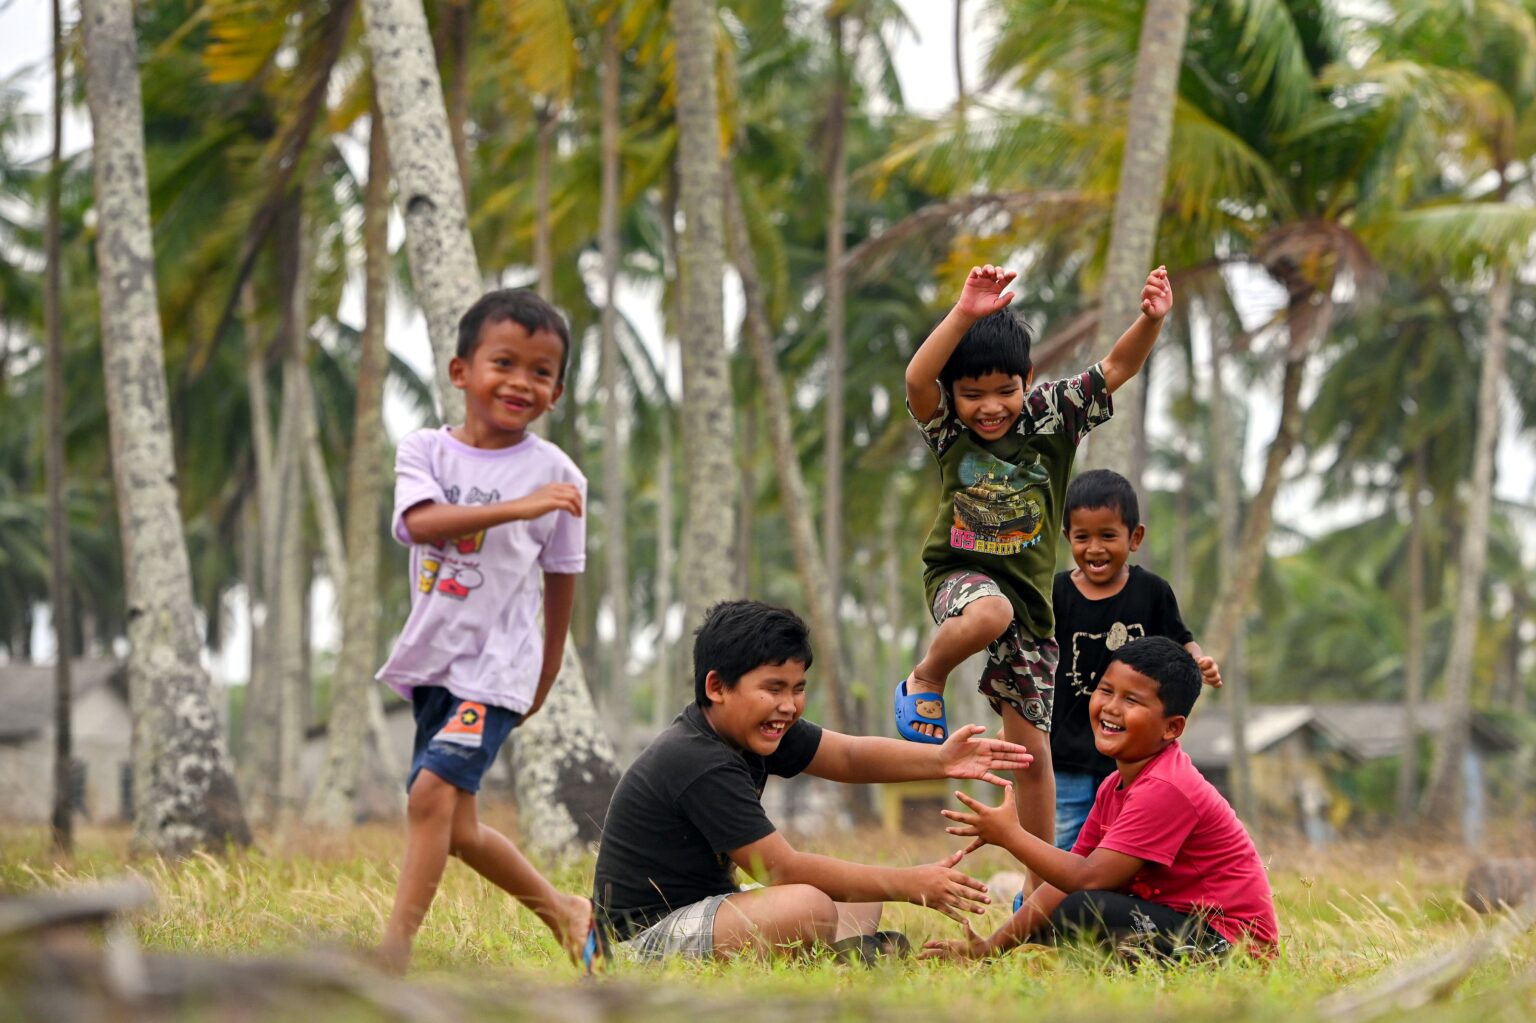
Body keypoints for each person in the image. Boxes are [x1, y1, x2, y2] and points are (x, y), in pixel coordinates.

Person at [896, 262, 1173, 854]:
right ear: (953, 394)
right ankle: (926, 676)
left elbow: (1118, 367)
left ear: (1027, 379)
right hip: (959, 576)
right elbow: (917, 378)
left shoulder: (1054, 416)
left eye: (1005, 391)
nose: (989, 408)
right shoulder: (949, 430)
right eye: (972, 395)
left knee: (1031, 756)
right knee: (988, 611)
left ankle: (1041, 880)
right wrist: (964, 313)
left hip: (1030, 608)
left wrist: (1150, 320)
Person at [593, 600, 1036, 962]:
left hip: (711, 906)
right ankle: (836, 954)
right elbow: (780, 869)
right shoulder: (698, 759)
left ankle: (835, 954)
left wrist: (941, 760)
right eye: (773, 688)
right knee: (809, 905)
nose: (788, 705)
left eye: (798, 688)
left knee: (860, 896)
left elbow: (849, 757)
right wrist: (910, 882)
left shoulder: (757, 729)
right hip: (643, 936)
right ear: (717, 687)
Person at [375, 289, 596, 975]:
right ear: (461, 371)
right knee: (458, 828)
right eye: (504, 363)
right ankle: (565, 912)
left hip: (499, 669)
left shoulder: (559, 475)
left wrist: (545, 674)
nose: (520, 382)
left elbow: (562, 578)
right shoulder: (424, 451)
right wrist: (520, 506)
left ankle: (390, 957)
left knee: (428, 796)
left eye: (540, 371)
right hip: (434, 662)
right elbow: (419, 523)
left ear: (556, 393)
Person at [923, 637, 1279, 961]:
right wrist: (987, 950)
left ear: (1171, 727)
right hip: (1180, 924)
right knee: (1054, 917)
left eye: (1131, 700)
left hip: (1233, 946)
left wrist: (1010, 835)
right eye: (1105, 691)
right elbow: (1064, 882)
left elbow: (1086, 881)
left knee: (1082, 911)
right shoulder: (1115, 786)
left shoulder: (1166, 787)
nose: (1110, 707)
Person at [1051, 468, 1221, 851]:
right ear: (1067, 538)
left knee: (1127, 840)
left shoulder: (1152, 592)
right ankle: (1054, 892)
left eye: (1108, 536)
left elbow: (1181, 640)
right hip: (1067, 754)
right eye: (1083, 537)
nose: (1095, 548)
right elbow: (1035, 663)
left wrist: (1200, 660)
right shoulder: (1056, 594)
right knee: (1067, 844)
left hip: (1135, 754)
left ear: (1135, 537)